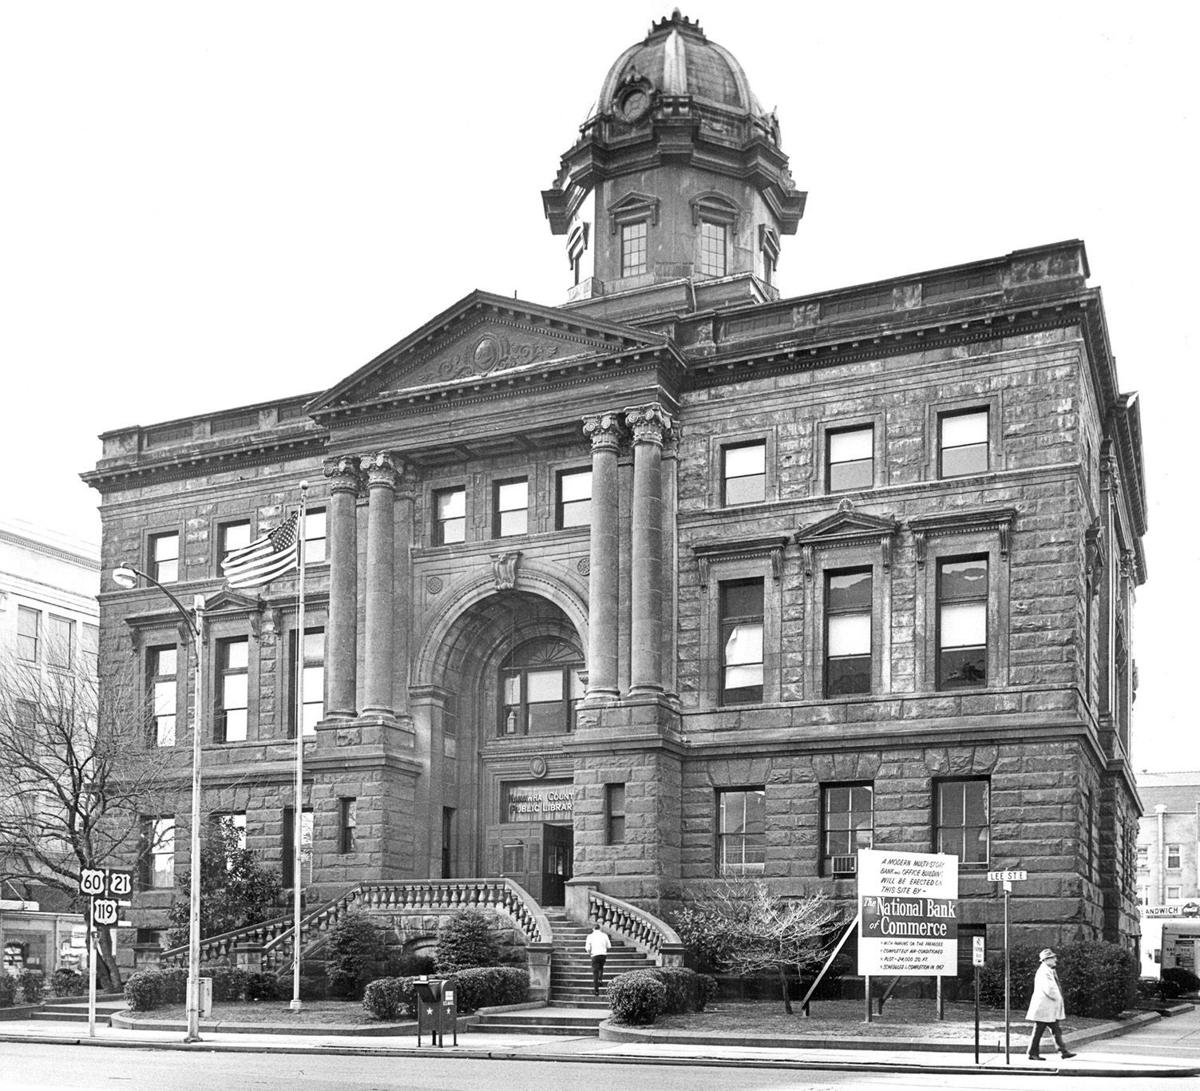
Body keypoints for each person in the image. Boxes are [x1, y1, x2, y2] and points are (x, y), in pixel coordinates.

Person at [1025, 948, 1077, 1060]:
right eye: (1053, 958)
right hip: (1045, 1007)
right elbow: (1049, 989)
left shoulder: (1047, 970)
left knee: (1054, 1029)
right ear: (1046, 959)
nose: (1055, 960)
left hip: (1047, 1007)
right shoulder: (1044, 972)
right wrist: (1058, 998)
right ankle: (1033, 1053)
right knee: (1040, 1030)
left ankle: (1062, 1051)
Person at [585, 924, 611, 996]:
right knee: (601, 967)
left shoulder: (590, 936)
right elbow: (609, 946)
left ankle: (596, 990)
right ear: (600, 928)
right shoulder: (604, 935)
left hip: (595, 955)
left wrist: (590, 953)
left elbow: (587, 948)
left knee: (595, 972)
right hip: (603, 954)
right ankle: (600, 979)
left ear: (593, 929)